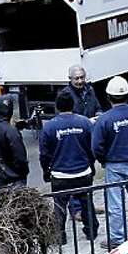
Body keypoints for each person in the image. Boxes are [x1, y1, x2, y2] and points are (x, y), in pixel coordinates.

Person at [92, 76, 128, 244]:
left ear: (108, 96)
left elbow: (96, 146)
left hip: (114, 165)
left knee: (115, 204)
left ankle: (117, 238)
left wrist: (104, 160)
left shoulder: (104, 119)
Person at [40, 90, 97, 243]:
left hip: (60, 176)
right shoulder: (85, 122)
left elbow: (44, 154)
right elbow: (92, 148)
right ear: (73, 105)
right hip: (83, 173)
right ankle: (91, 232)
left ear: (57, 106)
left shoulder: (49, 127)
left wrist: (46, 171)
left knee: (59, 207)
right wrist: (90, 165)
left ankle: (60, 237)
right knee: (87, 203)